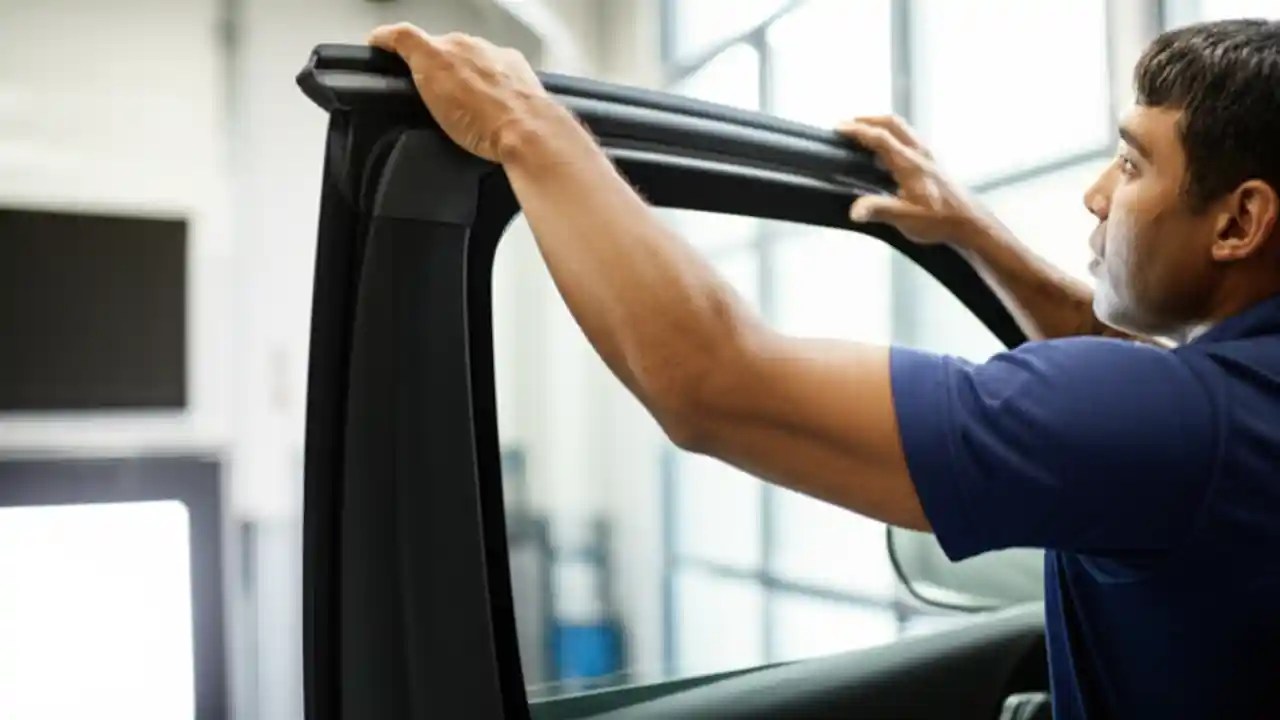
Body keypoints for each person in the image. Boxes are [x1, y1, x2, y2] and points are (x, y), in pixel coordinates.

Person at [367, 17, 1280, 719]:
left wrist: (524, 126)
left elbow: (715, 384)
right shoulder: (1238, 404)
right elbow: (1126, 364)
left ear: (1239, 223)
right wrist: (971, 233)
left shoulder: (1180, 429)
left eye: (1130, 163)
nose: (1097, 195)